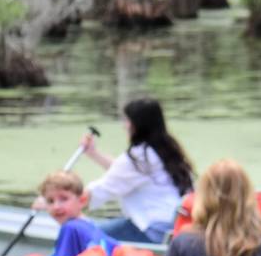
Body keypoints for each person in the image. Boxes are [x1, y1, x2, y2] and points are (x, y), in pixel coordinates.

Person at [80, 98, 194, 243]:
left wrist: (50, 202)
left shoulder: (138, 157)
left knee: (83, 237)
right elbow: (125, 174)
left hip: (152, 230)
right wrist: (93, 153)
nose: (124, 126)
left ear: (136, 125)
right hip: (177, 225)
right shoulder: (167, 149)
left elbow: (101, 190)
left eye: (127, 121)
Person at [32, 170, 111, 256]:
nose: (56, 207)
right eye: (50, 201)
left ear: (82, 200)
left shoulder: (70, 228)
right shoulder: (91, 226)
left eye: (64, 199)